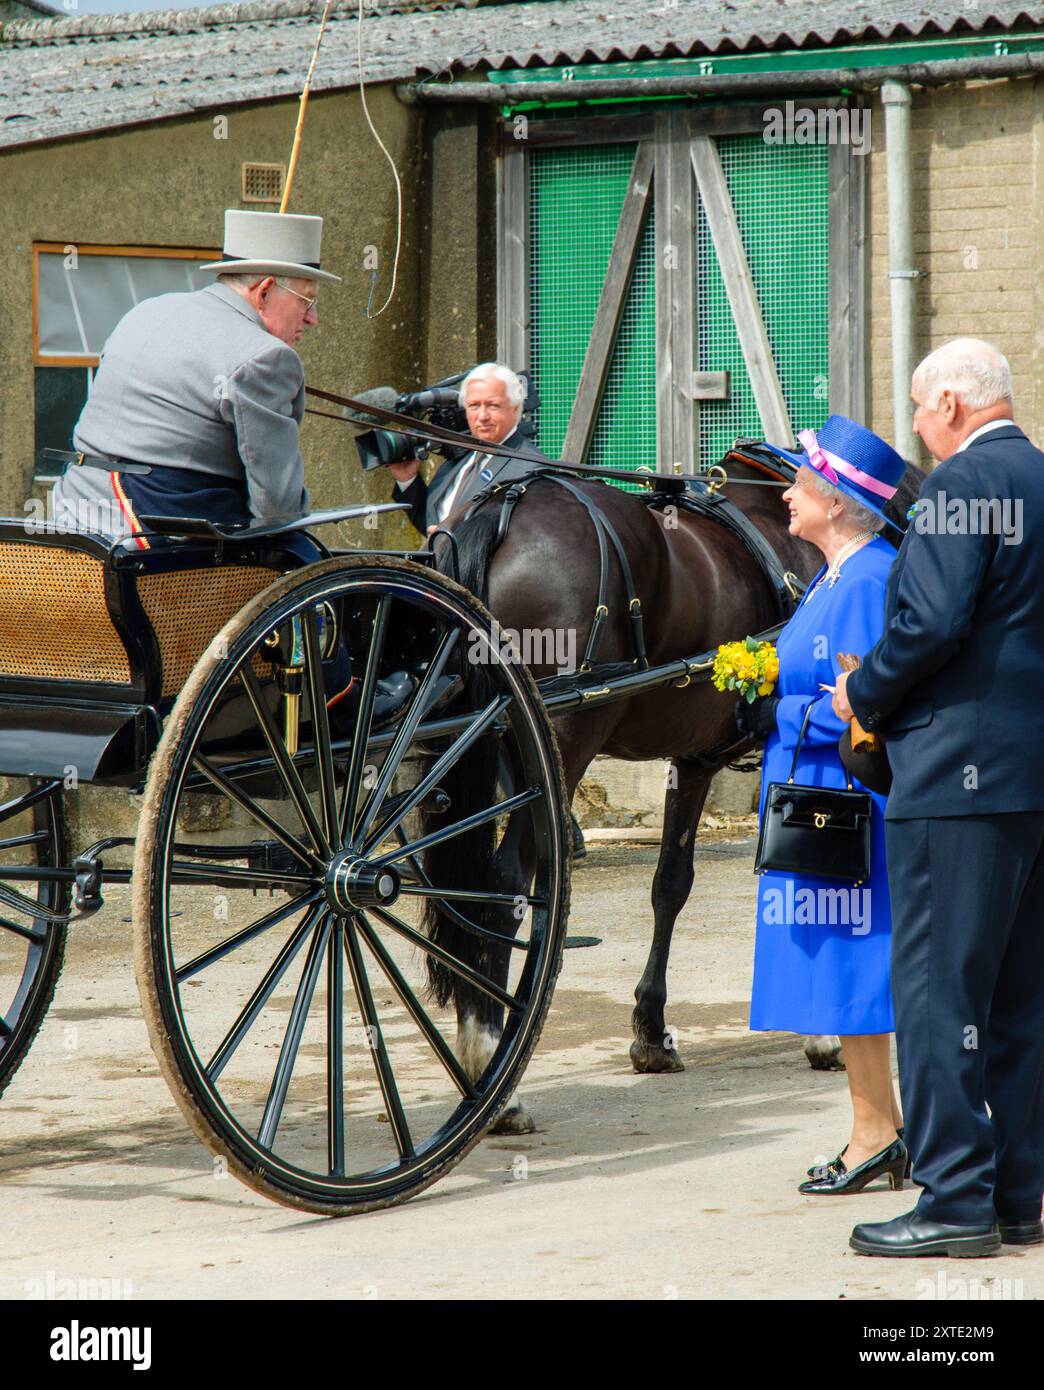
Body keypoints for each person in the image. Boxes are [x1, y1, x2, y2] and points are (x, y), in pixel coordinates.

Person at [834, 339, 1044, 1257]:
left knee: (934, 993)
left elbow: (928, 624)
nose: (915, 428)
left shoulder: (959, 489)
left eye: (918, 411)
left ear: (953, 402)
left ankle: (955, 1198)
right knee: (1019, 1002)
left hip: (956, 776)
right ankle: (1019, 1196)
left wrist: (863, 692)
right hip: (1029, 781)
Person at [738, 416, 908, 1195]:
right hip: (814, 794)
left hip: (842, 801)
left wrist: (774, 710)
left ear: (836, 501)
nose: (787, 492)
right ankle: (880, 1129)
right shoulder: (833, 574)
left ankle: (878, 1133)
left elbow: (865, 705)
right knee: (844, 967)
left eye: (802, 482)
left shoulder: (870, 578)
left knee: (853, 964)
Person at [51, 208, 336, 540]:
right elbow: (278, 507)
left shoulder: (146, 311)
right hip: (155, 535)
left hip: (72, 516)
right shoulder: (266, 357)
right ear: (265, 291)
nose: (312, 319)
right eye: (307, 300)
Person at [389, 363, 546, 536]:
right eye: (474, 406)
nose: (482, 416)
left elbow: (528, 541)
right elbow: (432, 524)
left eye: (493, 405)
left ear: (515, 408)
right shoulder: (458, 461)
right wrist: (408, 480)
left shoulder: (532, 469)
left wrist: (456, 541)